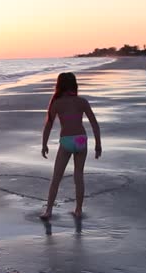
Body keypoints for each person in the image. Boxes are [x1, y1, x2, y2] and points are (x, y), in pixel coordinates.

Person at [40, 72, 101, 220]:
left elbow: (48, 125)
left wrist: (44, 144)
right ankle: (78, 210)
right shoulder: (82, 101)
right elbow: (94, 123)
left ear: (59, 85)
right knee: (78, 176)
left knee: (56, 177)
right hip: (81, 140)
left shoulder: (57, 103)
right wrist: (98, 144)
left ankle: (48, 211)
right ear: (74, 84)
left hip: (67, 141)